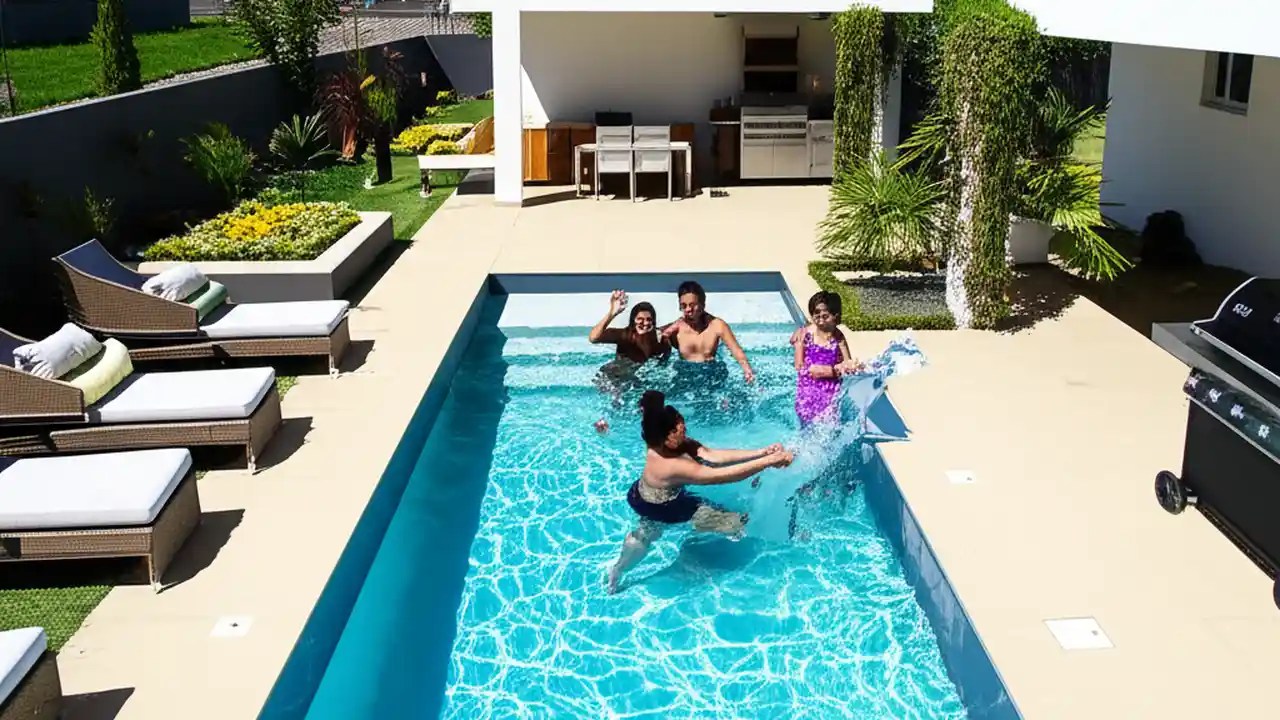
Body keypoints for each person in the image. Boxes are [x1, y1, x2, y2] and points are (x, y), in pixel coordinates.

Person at [607, 390, 793, 594]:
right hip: (662, 506)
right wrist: (770, 462)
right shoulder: (671, 465)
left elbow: (713, 456)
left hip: (645, 493)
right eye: (678, 426)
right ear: (667, 435)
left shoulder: (660, 440)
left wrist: (761, 452)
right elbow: (723, 475)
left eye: (681, 421)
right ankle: (618, 570)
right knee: (737, 523)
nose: (683, 427)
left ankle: (625, 561)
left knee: (648, 531)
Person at [661, 281, 756, 384]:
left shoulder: (717, 325)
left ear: (702, 304)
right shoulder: (675, 328)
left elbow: (736, 350)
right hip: (686, 376)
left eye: (692, 305)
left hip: (711, 374)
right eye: (683, 306)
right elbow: (654, 338)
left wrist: (747, 371)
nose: (688, 309)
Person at [793, 291, 863, 427]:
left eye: (825, 316)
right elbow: (799, 366)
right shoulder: (806, 335)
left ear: (835, 316)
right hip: (808, 391)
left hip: (829, 391)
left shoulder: (838, 338)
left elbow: (847, 363)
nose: (820, 320)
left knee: (829, 424)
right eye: (816, 316)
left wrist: (848, 367)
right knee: (807, 422)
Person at [588, 290, 671, 364]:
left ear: (653, 321)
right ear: (633, 321)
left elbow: (664, 362)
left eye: (648, 319)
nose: (645, 323)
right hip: (614, 376)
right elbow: (593, 338)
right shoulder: (624, 336)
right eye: (640, 319)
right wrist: (612, 313)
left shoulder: (660, 339)